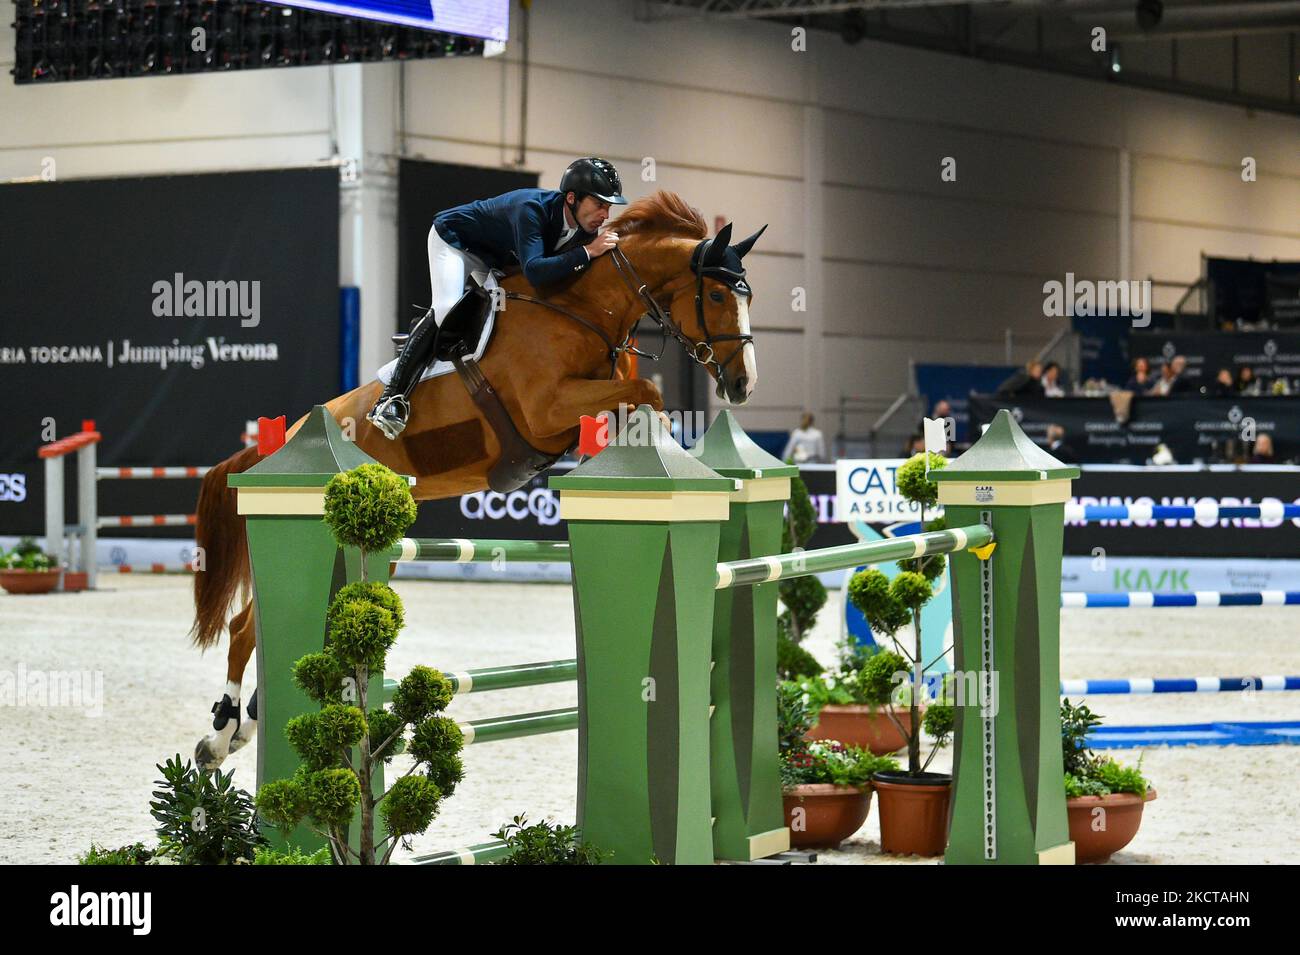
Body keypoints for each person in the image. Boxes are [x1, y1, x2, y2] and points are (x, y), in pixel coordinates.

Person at [367, 157, 629, 439]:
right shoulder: (531, 210)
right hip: (455, 241)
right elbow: (536, 272)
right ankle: (390, 400)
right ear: (571, 198)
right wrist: (589, 253)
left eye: (609, 206)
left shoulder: (584, 231)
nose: (605, 213)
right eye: (600, 204)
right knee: (447, 308)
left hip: (493, 258)